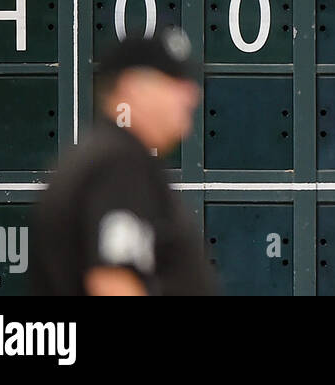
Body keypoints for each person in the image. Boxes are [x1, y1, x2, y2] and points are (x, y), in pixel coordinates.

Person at [29, 28, 216, 296]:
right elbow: (113, 281)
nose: (191, 95)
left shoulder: (100, 156)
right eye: (174, 81)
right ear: (134, 88)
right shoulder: (119, 165)